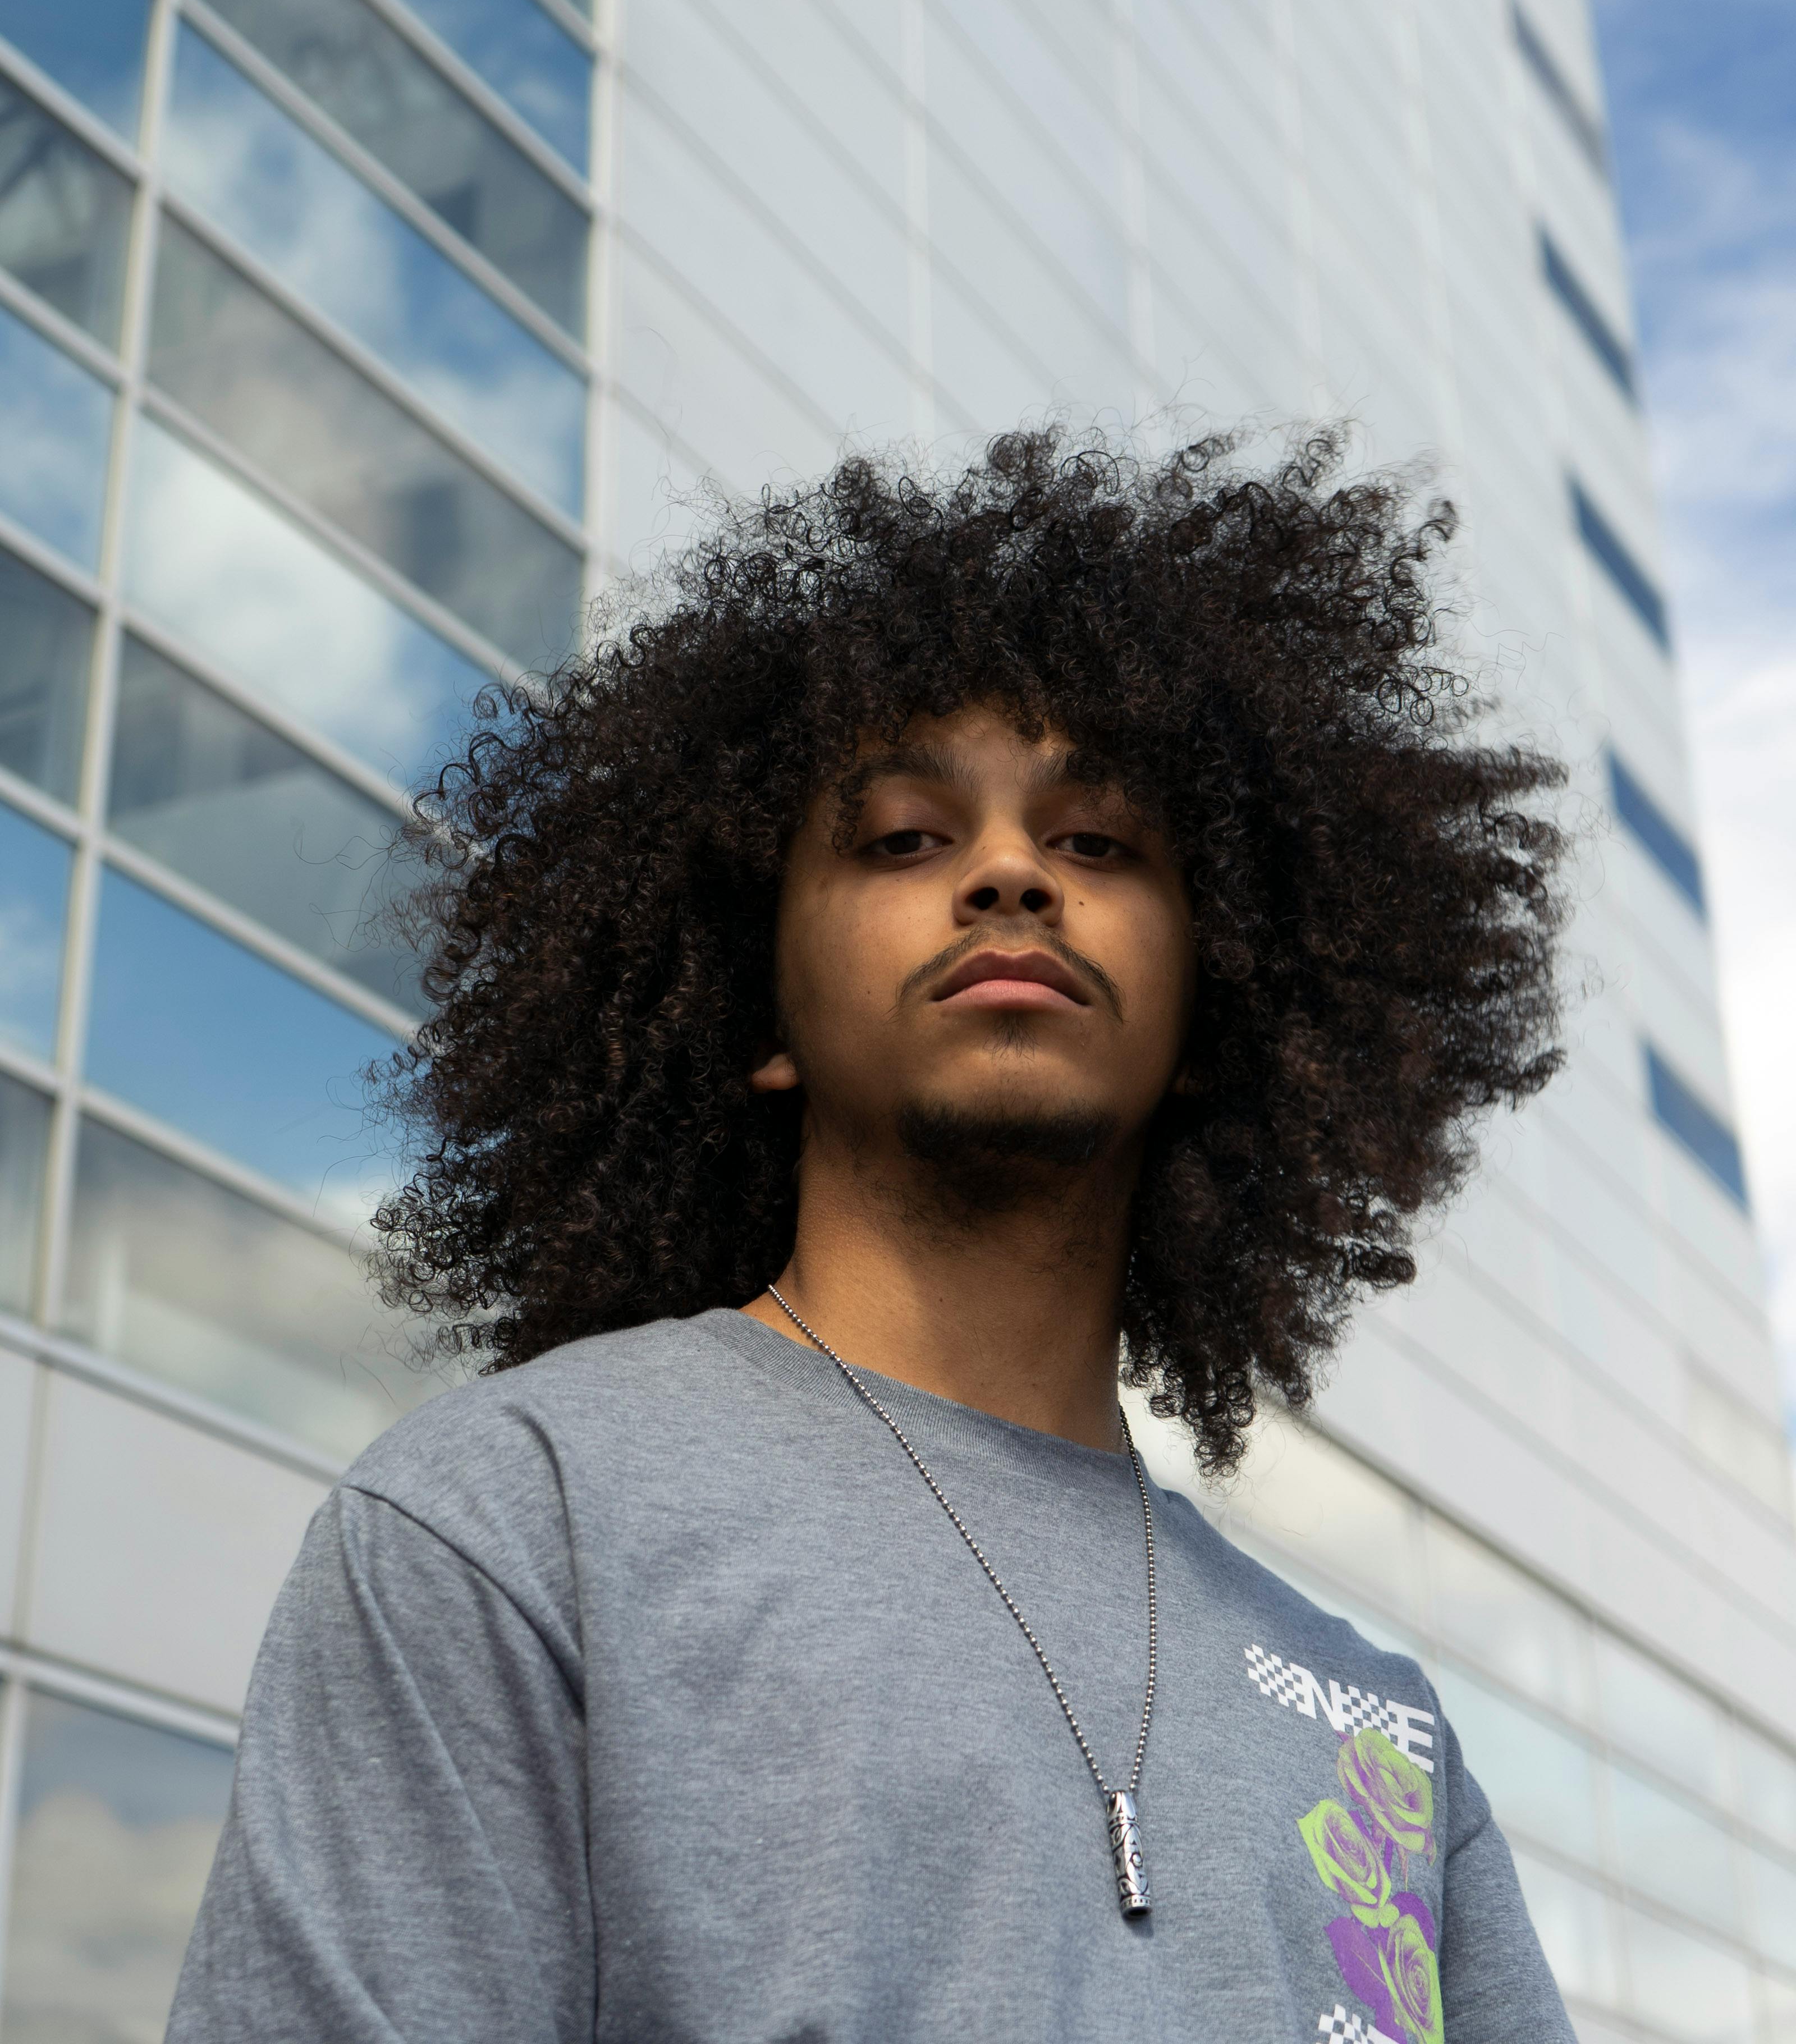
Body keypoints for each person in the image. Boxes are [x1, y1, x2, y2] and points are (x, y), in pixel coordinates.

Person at [168, 429, 1573, 2043]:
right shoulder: (517, 1517)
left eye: (1099, 843)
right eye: (905, 836)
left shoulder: (1386, 1740)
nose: (1009, 875)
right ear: (758, 1013)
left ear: (1214, 1013)